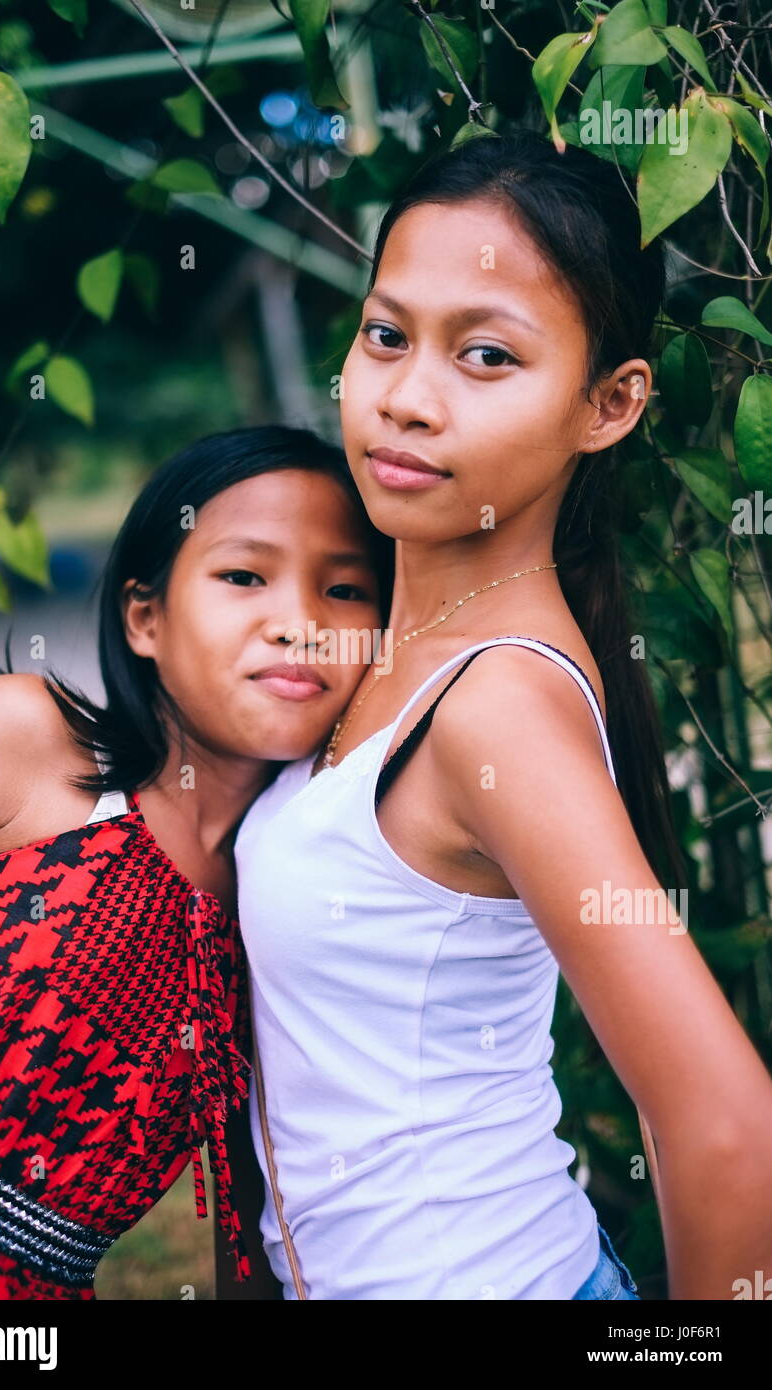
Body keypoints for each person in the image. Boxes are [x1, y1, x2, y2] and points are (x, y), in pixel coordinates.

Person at [231, 131, 772, 1300]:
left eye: (484, 355)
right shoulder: (392, 637)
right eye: (385, 335)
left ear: (611, 402)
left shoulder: (497, 707)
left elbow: (726, 1123)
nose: (406, 401)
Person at [0, 425, 389, 1299]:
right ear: (145, 618)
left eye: (347, 588)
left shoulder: (284, 907)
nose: (301, 624)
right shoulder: (26, 745)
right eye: (244, 575)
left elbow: (253, 1215)